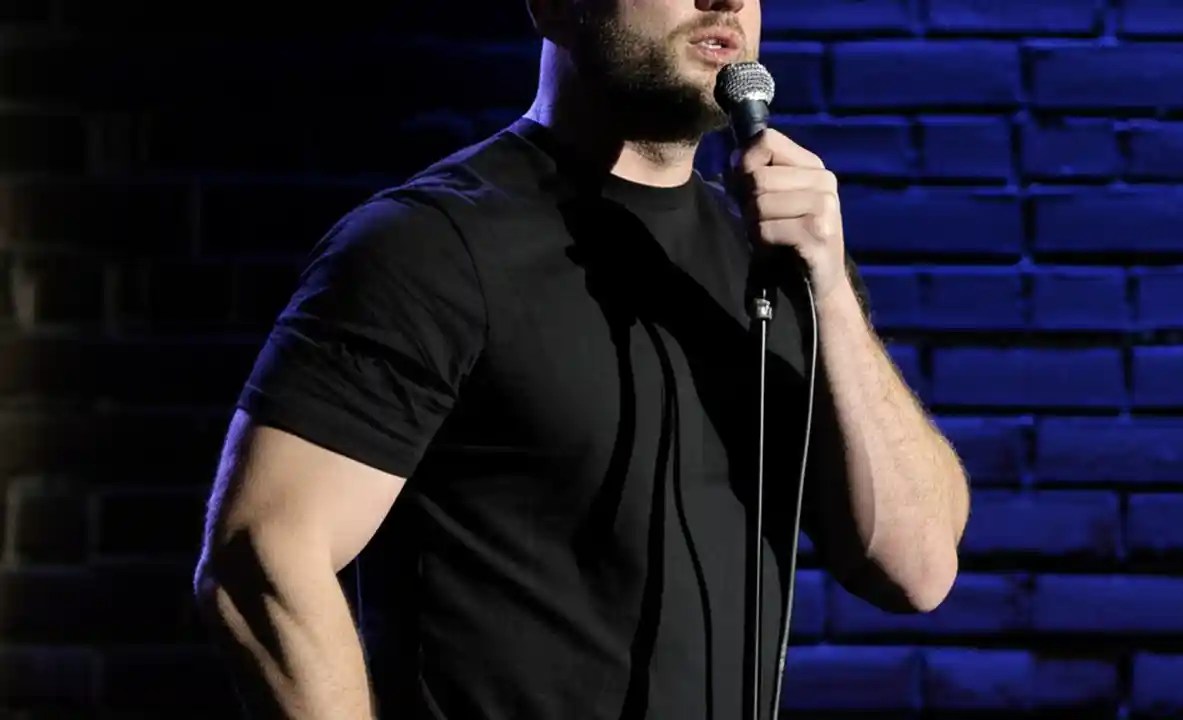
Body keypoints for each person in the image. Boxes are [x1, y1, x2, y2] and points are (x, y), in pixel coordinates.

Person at [192, 0, 971, 718]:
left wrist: (830, 289)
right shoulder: (431, 246)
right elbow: (263, 554)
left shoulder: (775, 259)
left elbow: (918, 567)